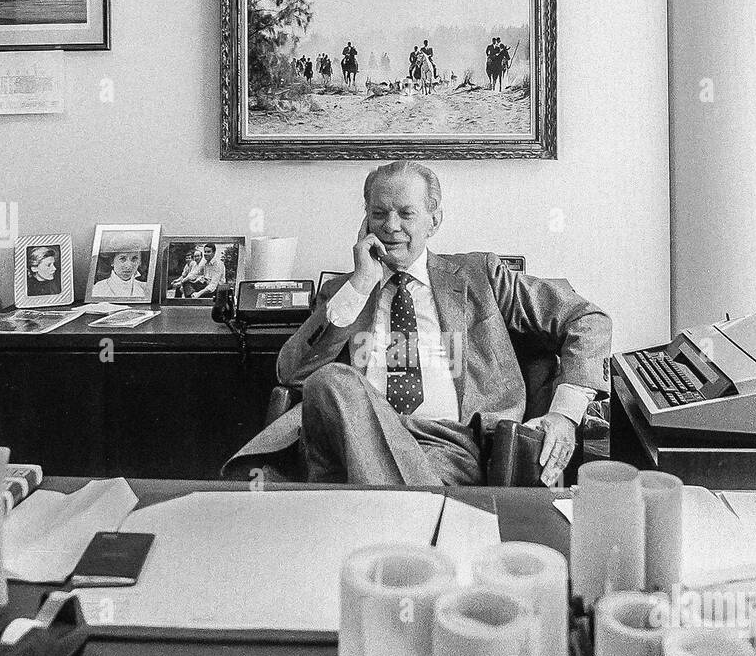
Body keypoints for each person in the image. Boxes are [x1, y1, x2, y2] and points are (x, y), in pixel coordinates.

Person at [226, 161, 611, 487]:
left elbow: (587, 319)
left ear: (434, 220)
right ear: (365, 221)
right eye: (379, 214)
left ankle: (389, 521)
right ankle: (414, 527)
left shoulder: (481, 276)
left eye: (406, 213)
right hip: (350, 438)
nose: (391, 226)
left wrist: (565, 413)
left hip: (444, 446)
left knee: (345, 481)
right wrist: (361, 283)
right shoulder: (344, 292)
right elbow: (291, 372)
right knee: (332, 381)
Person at [91, 233, 151, 299]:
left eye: (134, 258)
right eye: (122, 258)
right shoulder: (99, 289)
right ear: (112, 261)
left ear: (140, 261)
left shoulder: (145, 288)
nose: (128, 266)